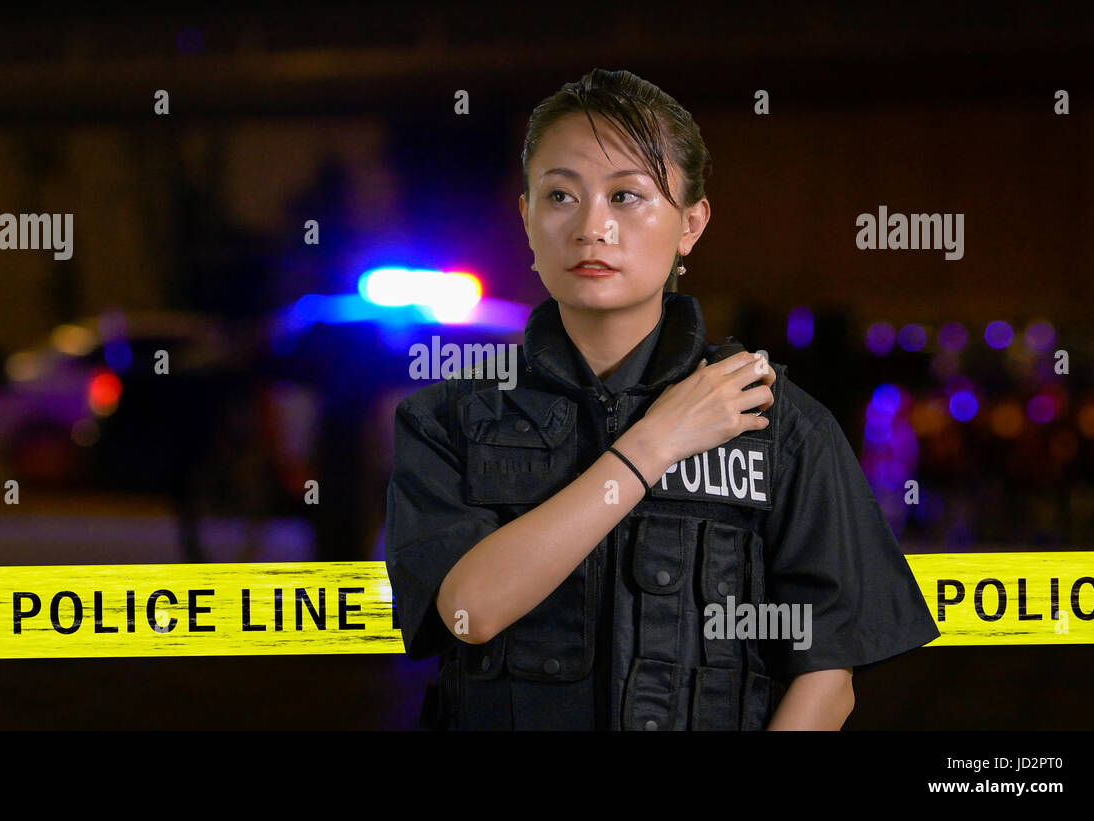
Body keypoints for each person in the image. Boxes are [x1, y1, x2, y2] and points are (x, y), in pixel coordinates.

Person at [384, 68, 939, 730]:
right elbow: (469, 608)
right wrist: (655, 442)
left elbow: (827, 677)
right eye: (561, 195)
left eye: (627, 196)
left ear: (691, 224)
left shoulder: (775, 420)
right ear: (527, 215)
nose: (593, 226)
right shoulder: (448, 418)